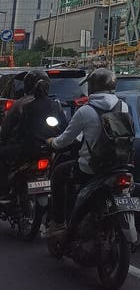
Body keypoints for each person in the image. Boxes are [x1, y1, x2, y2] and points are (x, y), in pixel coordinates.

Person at [46, 68, 129, 234]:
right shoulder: (123, 106)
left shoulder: (85, 111)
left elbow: (65, 140)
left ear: (92, 87)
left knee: (58, 173)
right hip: (118, 165)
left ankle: (59, 222)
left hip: (91, 168)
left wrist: (53, 143)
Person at [0, 69, 66, 200]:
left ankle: (3, 192)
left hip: (28, 149)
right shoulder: (55, 104)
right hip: (49, 149)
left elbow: (8, 129)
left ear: (27, 85)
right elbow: (64, 128)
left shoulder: (21, 104)